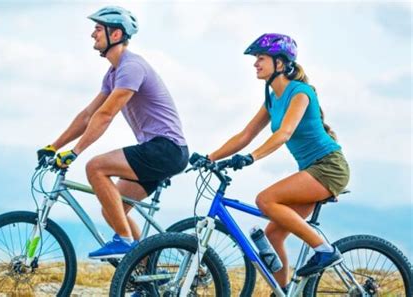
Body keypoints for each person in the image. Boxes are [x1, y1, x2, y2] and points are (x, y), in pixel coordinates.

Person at [37, 6, 188, 259]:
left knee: (96, 167)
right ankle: (144, 269)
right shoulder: (114, 73)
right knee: (113, 210)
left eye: (97, 29)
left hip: (166, 149)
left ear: (116, 34)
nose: (92, 35)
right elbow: (88, 115)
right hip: (159, 150)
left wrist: (75, 152)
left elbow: (105, 115)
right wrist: (53, 146)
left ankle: (125, 242)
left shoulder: (132, 67)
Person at [203, 33, 350, 292]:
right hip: (311, 170)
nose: (255, 64)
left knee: (266, 200)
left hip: (328, 168)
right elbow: (246, 135)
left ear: (280, 64)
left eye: (261, 58)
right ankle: (281, 292)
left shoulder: (300, 92)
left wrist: (251, 158)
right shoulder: (272, 99)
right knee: (272, 236)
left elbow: (284, 133)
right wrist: (210, 157)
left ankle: (325, 251)